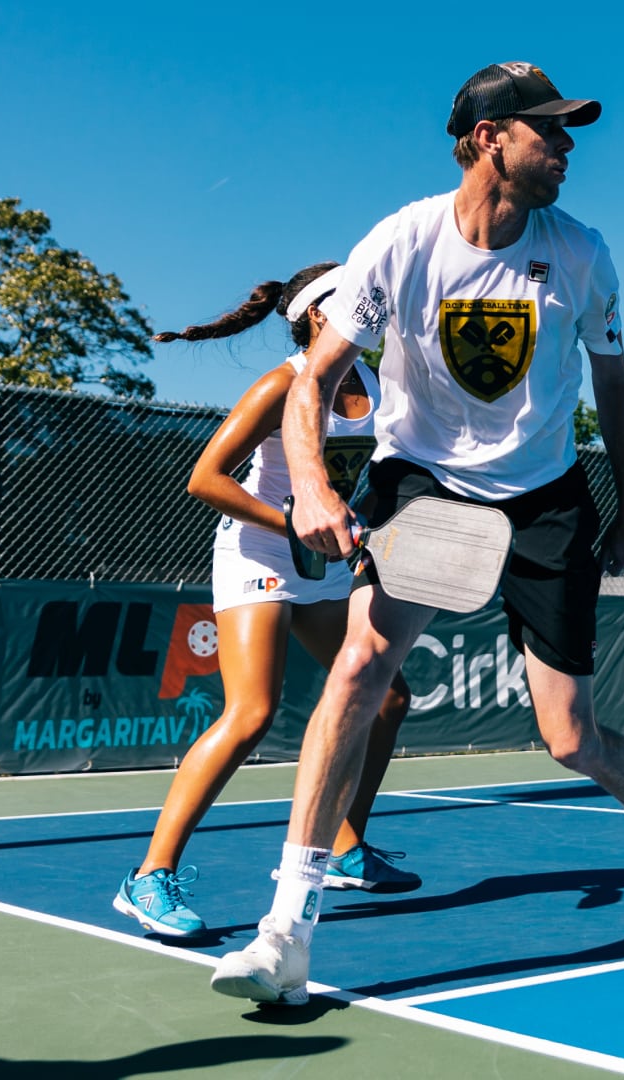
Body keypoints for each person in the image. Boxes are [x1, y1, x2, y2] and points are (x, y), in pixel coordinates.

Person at [210, 62, 624, 1005]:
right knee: (357, 671)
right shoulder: (402, 240)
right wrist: (310, 485)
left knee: (569, 738)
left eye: (567, 129)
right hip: (423, 483)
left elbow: (615, 385)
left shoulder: (582, 252)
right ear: (487, 139)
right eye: (547, 129)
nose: (567, 144)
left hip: (543, 497)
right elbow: (312, 378)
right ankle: (286, 933)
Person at [113, 263, 420, 953]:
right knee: (251, 714)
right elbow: (204, 479)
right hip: (258, 552)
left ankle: (344, 844)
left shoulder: (374, 386)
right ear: (318, 315)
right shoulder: (283, 384)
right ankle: (148, 876)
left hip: (320, 556)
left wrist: (358, 522)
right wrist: (296, 523)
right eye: (359, 300)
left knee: (388, 698)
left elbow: (363, 481)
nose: (375, 309)